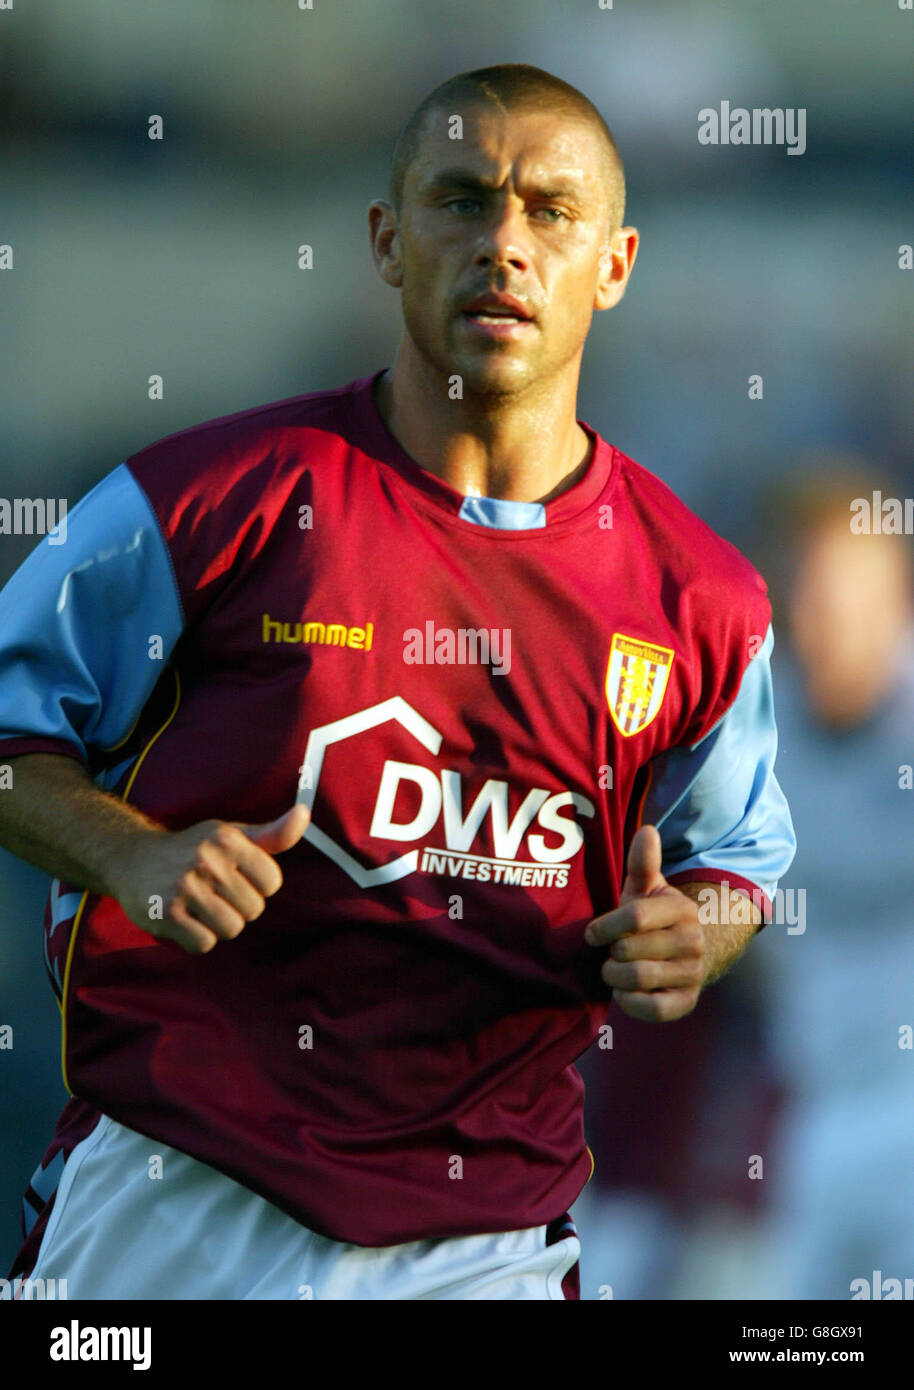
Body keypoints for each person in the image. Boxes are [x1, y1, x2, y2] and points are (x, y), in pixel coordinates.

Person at [0, 63, 795, 1301]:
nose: (504, 244)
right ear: (386, 238)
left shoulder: (702, 601)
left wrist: (695, 934)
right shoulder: (204, 503)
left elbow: (736, 858)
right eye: (463, 200)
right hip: (174, 1206)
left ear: (616, 262)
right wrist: (127, 854)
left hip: (483, 1247)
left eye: (550, 211)